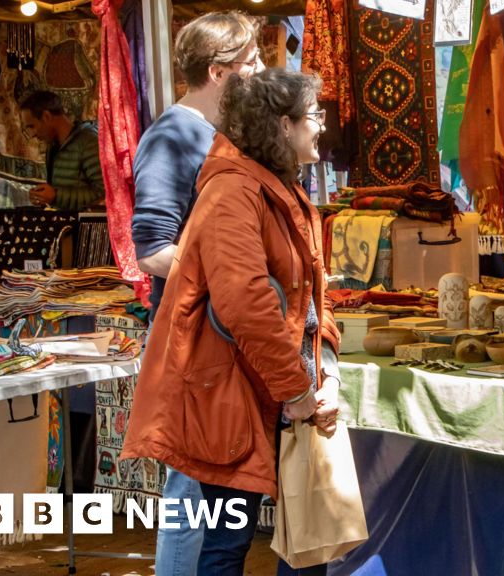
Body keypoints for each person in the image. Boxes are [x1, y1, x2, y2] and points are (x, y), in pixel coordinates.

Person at [121, 68, 342, 574]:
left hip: (267, 384)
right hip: (229, 391)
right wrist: (297, 389)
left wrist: (326, 368)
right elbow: (244, 303)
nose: (323, 126)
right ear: (282, 126)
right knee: (226, 543)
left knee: (300, 534)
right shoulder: (234, 191)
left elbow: (311, 290)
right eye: (315, 116)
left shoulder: (278, 187)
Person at [128, 11, 263, 575]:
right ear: (219, 72)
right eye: (251, 61)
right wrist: (228, 279)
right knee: (193, 494)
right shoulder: (174, 135)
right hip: (195, 349)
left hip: (221, 347)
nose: (260, 70)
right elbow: (151, 248)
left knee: (217, 500)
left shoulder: (216, 135)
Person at [20, 90, 105, 210]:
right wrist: (44, 196)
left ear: (46, 117)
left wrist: (56, 195)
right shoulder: (53, 145)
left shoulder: (88, 141)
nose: (32, 134)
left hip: (84, 226)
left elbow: (104, 193)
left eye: (32, 126)